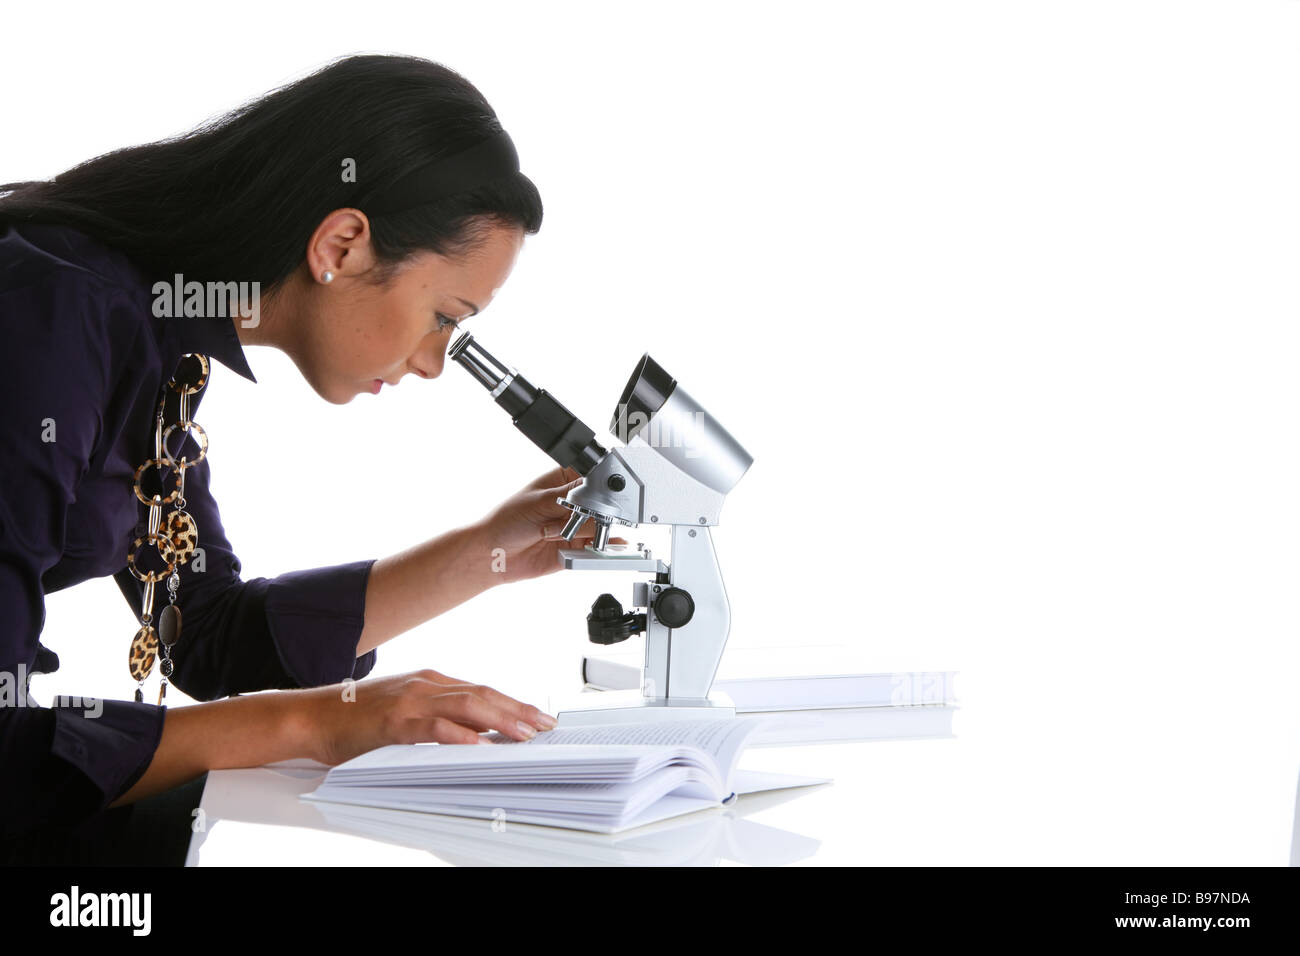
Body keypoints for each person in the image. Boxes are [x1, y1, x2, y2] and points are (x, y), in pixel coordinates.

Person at [0, 53, 595, 863]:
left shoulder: (157, 333)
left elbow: (203, 632)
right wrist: (319, 721)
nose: (433, 361)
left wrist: (491, 552)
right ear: (342, 244)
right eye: (444, 317)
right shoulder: (55, 314)